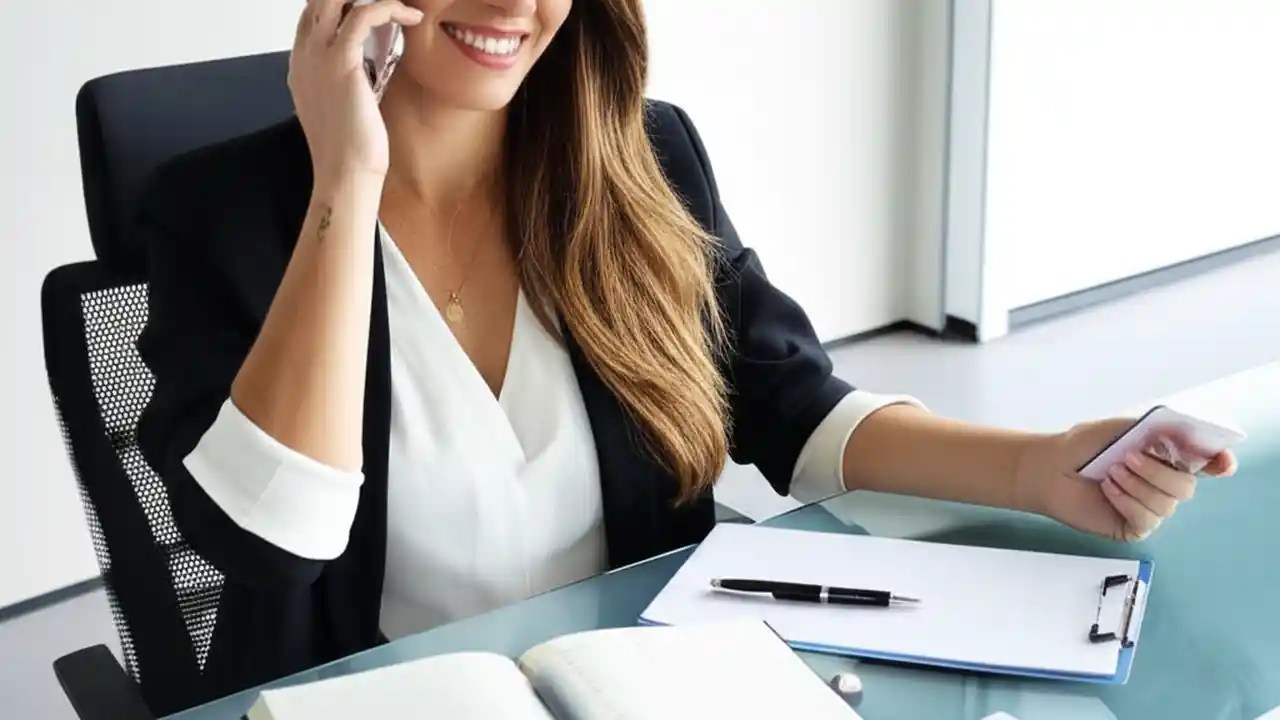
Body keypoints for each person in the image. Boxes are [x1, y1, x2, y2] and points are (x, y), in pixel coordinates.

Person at [136, 0, 1236, 703]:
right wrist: (347, 179)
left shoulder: (637, 155)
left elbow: (791, 406)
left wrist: (1035, 467)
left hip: (640, 682)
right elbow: (270, 549)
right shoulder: (220, 212)